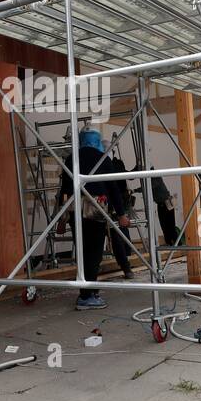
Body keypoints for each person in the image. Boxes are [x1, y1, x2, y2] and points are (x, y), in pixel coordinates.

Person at [56, 128, 129, 310]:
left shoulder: (71, 158)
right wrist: (121, 214)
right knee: (94, 252)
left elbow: (64, 191)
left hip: (74, 209)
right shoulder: (103, 159)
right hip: (95, 209)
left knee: (82, 252)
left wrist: (61, 220)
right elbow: (113, 189)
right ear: (97, 141)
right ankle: (86, 296)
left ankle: (89, 290)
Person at [104, 146, 135, 279]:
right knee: (120, 230)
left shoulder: (112, 164)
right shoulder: (113, 163)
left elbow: (118, 185)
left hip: (115, 201)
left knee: (118, 232)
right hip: (113, 201)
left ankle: (126, 263)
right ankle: (126, 263)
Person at [150, 175, 181, 247]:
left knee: (167, 225)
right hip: (166, 203)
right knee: (168, 225)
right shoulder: (155, 178)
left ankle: (174, 243)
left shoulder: (155, 178)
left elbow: (151, 185)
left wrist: (135, 190)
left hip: (164, 204)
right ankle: (173, 243)